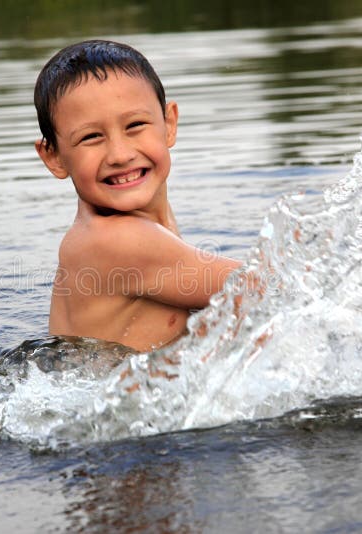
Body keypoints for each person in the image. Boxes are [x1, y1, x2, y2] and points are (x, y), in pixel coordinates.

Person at [34, 40, 241, 352]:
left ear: (169, 123)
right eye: (91, 137)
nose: (119, 154)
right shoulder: (116, 240)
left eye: (135, 125)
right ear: (54, 157)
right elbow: (266, 284)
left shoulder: (132, 228)